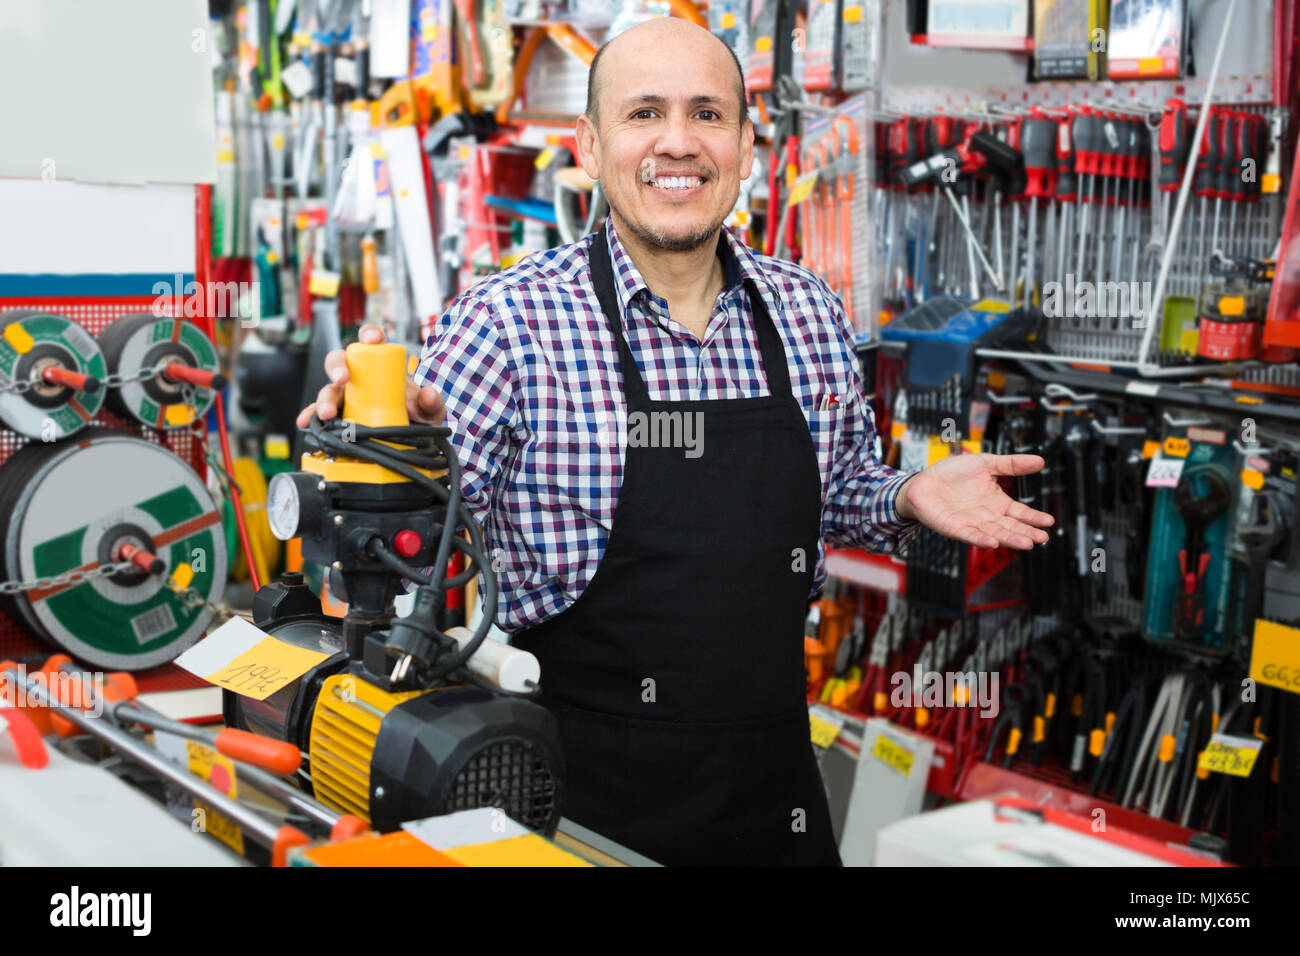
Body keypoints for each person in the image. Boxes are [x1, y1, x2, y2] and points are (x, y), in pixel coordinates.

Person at [297, 17, 1053, 866]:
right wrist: (382, 442)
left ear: (744, 142)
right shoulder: (508, 323)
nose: (679, 143)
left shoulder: (803, 309)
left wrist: (907, 493)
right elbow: (412, 519)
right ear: (589, 144)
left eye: (707, 114)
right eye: (644, 113)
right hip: (573, 806)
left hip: (774, 801)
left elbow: (839, 492)